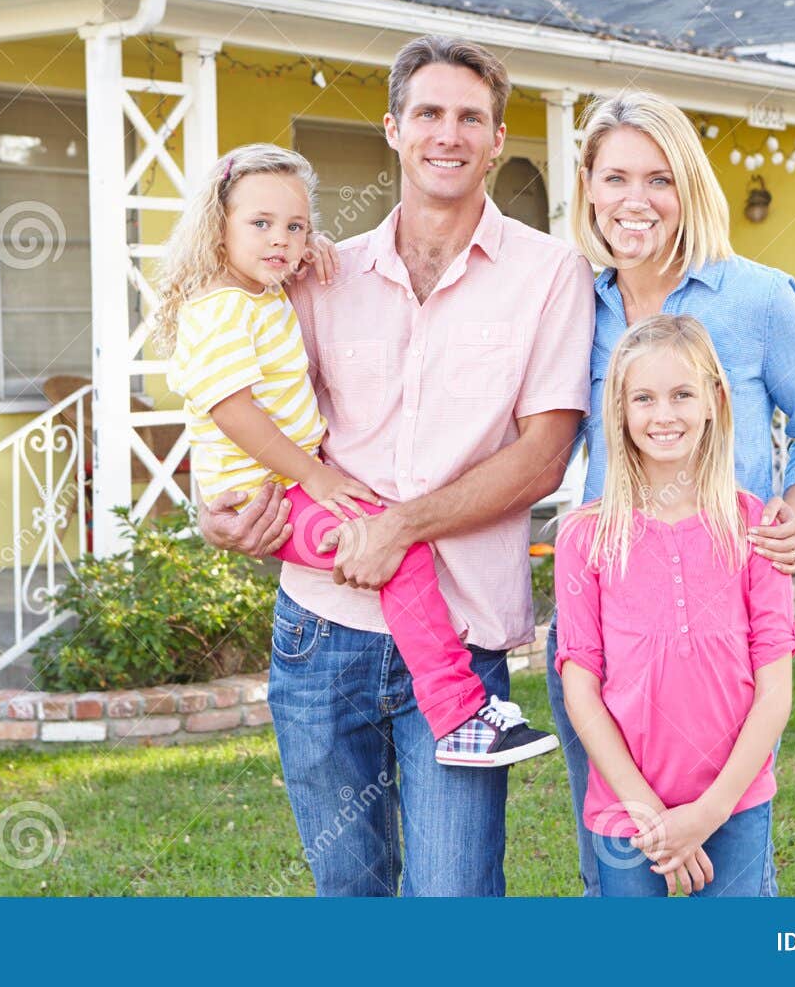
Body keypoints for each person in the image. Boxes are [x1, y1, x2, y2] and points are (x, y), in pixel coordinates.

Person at [197, 36, 594, 896]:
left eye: (470, 117)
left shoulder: (550, 272)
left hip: (459, 637)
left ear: (497, 139)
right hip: (320, 630)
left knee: (454, 900)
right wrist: (218, 512)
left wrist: (402, 527)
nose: (447, 134)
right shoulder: (318, 272)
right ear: (393, 128)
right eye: (428, 113)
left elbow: (543, 455)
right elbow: (253, 412)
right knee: (349, 896)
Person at [155, 142, 557, 768]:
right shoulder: (218, 310)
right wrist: (314, 476)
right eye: (260, 224)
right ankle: (458, 715)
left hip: (290, 480)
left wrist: (300, 257)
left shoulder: (260, 294)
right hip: (271, 493)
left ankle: (456, 709)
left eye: (295, 226)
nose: (279, 239)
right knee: (400, 551)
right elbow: (233, 411)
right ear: (219, 227)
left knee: (396, 542)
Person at [546, 90, 795, 894]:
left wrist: (794, 506)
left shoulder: (756, 298)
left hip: (724, 627)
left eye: (658, 178)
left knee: (736, 866)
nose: (634, 200)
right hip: (612, 633)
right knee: (620, 872)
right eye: (614, 178)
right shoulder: (574, 304)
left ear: (688, 187)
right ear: (587, 188)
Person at [555, 314, 795, 897]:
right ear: (620, 409)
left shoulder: (754, 528)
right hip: (625, 810)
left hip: (733, 802)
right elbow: (580, 689)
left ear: (714, 400)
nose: (664, 415)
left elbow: (775, 692)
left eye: (682, 394)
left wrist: (706, 814)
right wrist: (648, 812)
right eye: (644, 398)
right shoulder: (585, 538)